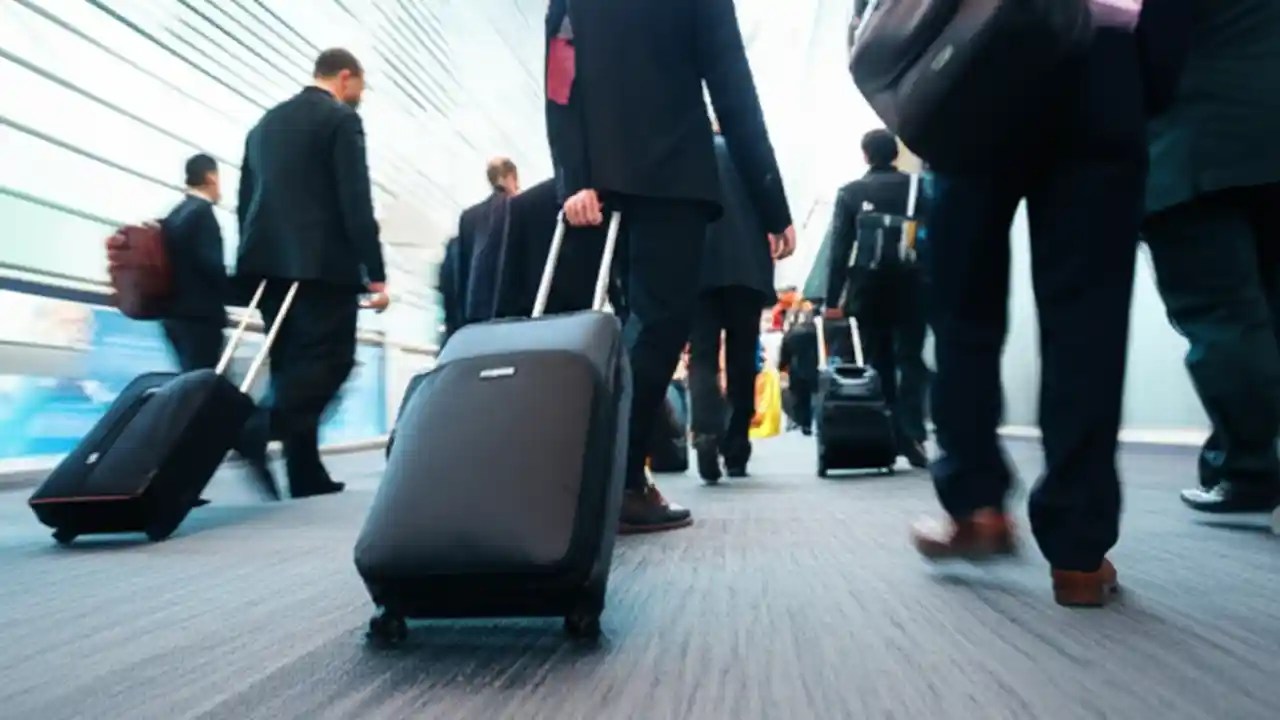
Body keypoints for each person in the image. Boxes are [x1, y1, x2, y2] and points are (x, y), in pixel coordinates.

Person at [908, 6, 1192, 606]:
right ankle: (1078, 551)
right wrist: (1146, 78)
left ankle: (975, 504)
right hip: (1101, 62)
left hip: (979, 55)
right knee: (1088, 316)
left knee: (963, 307)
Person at [545, 0, 796, 533]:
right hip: (674, 176)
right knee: (659, 325)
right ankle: (614, 481)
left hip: (603, 179)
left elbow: (560, 81)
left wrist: (573, 176)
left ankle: (597, 474)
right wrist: (771, 204)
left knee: (638, 322)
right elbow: (733, 89)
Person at [1143, 0, 1280, 514]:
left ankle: (1249, 471)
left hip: (1196, 149)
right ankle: (1238, 457)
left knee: (1224, 320)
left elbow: (1149, 49)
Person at [236, 48, 389, 499]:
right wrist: (375, 273)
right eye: (360, 86)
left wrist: (252, 264)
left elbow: (246, 203)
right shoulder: (340, 120)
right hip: (323, 268)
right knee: (332, 362)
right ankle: (255, 427)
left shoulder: (264, 125)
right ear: (346, 77)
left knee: (289, 367)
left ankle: (305, 473)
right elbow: (355, 201)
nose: (360, 96)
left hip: (269, 268)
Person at [161, 153, 277, 501]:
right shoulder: (201, 216)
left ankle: (187, 478)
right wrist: (254, 293)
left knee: (201, 399)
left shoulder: (174, 216)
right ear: (211, 177)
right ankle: (248, 448)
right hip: (199, 321)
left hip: (176, 320)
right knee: (209, 401)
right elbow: (211, 269)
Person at [824, 129, 929, 469]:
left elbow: (839, 248)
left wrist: (832, 299)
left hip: (868, 290)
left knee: (877, 360)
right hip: (913, 285)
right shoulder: (918, 188)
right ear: (896, 154)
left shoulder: (852, 193)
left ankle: (884, 433)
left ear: (866, 155)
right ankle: (912, 432)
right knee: (910, 358)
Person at [688, 121, 777, 483]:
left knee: (703, 352)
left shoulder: (684, 153)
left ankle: (706, 430)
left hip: (697, 265)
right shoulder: (746, 155)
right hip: (747, 266)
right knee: (743, 354)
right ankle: (737, 447)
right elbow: (770, 204)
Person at [456, 158, 522, 327]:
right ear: (511, 178)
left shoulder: (468, 217)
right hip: (510, 312)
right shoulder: (521, 208)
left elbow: (462, 272)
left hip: (475, 311)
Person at [778, 307, 819, 435]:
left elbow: (785, 354)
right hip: (813, 367)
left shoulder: (790, 334)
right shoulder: (815, 332)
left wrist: (782, 366)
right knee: (812, 396)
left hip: (796, 369)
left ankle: (802, 422)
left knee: (799, 397)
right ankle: (811, 422)